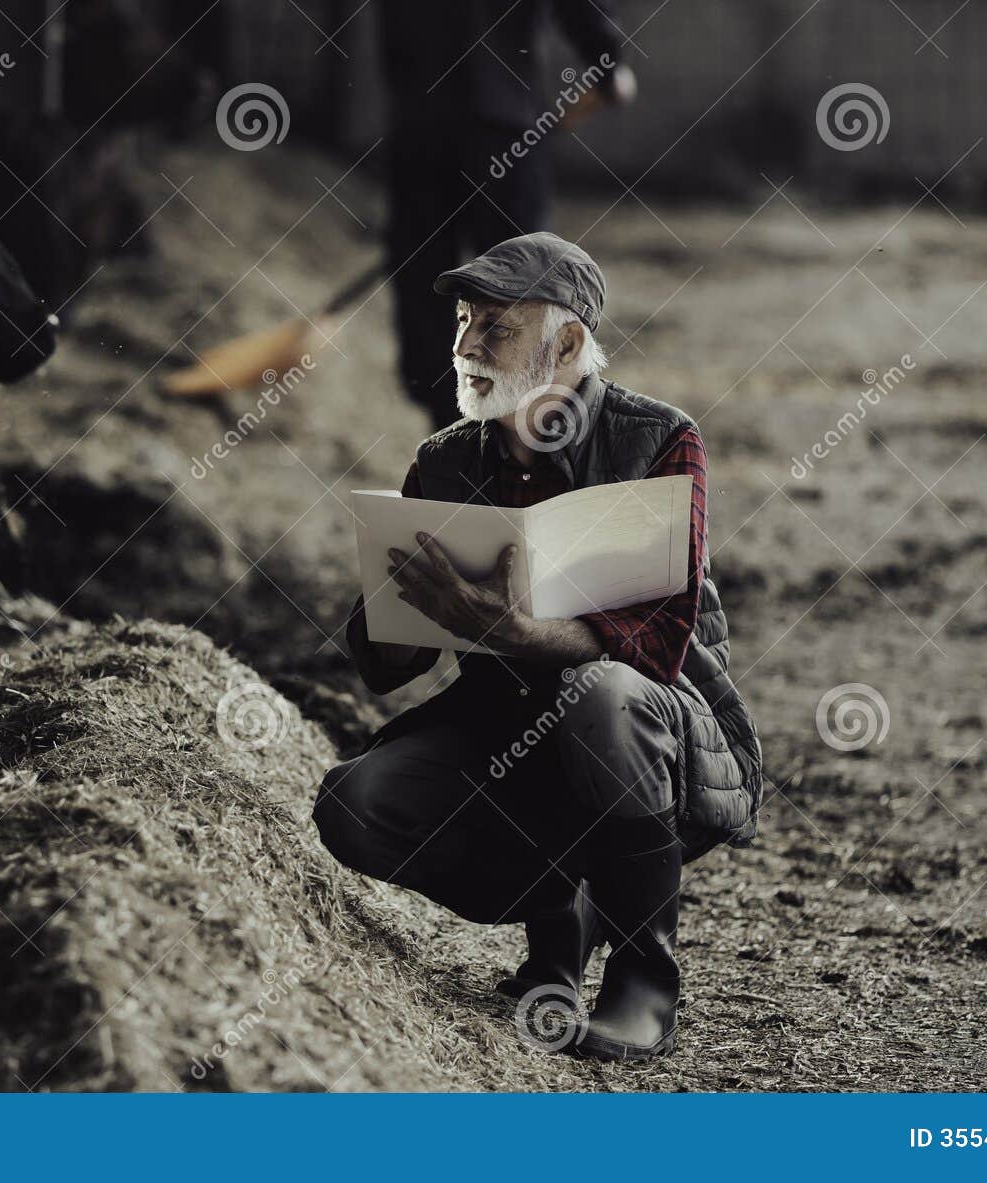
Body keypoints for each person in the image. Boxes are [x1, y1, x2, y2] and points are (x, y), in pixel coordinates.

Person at [314, 232, 763, 1062]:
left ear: (564, 345)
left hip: (658, 732)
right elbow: (384, 671)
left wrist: (517, 632)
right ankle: (562, 897)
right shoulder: (445, 463)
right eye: (462, 320)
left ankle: (643, 980)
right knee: (354, 804)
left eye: (497, 328)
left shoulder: (658, 442)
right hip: (503, 735)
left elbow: (660, 648)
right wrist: (402, 598)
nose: (465, 346)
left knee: (598, 694)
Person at [379, 0, 637, 429]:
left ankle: (450, 426)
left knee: (424, 271)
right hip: (502, 122)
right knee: (526, 283)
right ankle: (515, 428)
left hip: (421, 122)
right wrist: (609, 64)